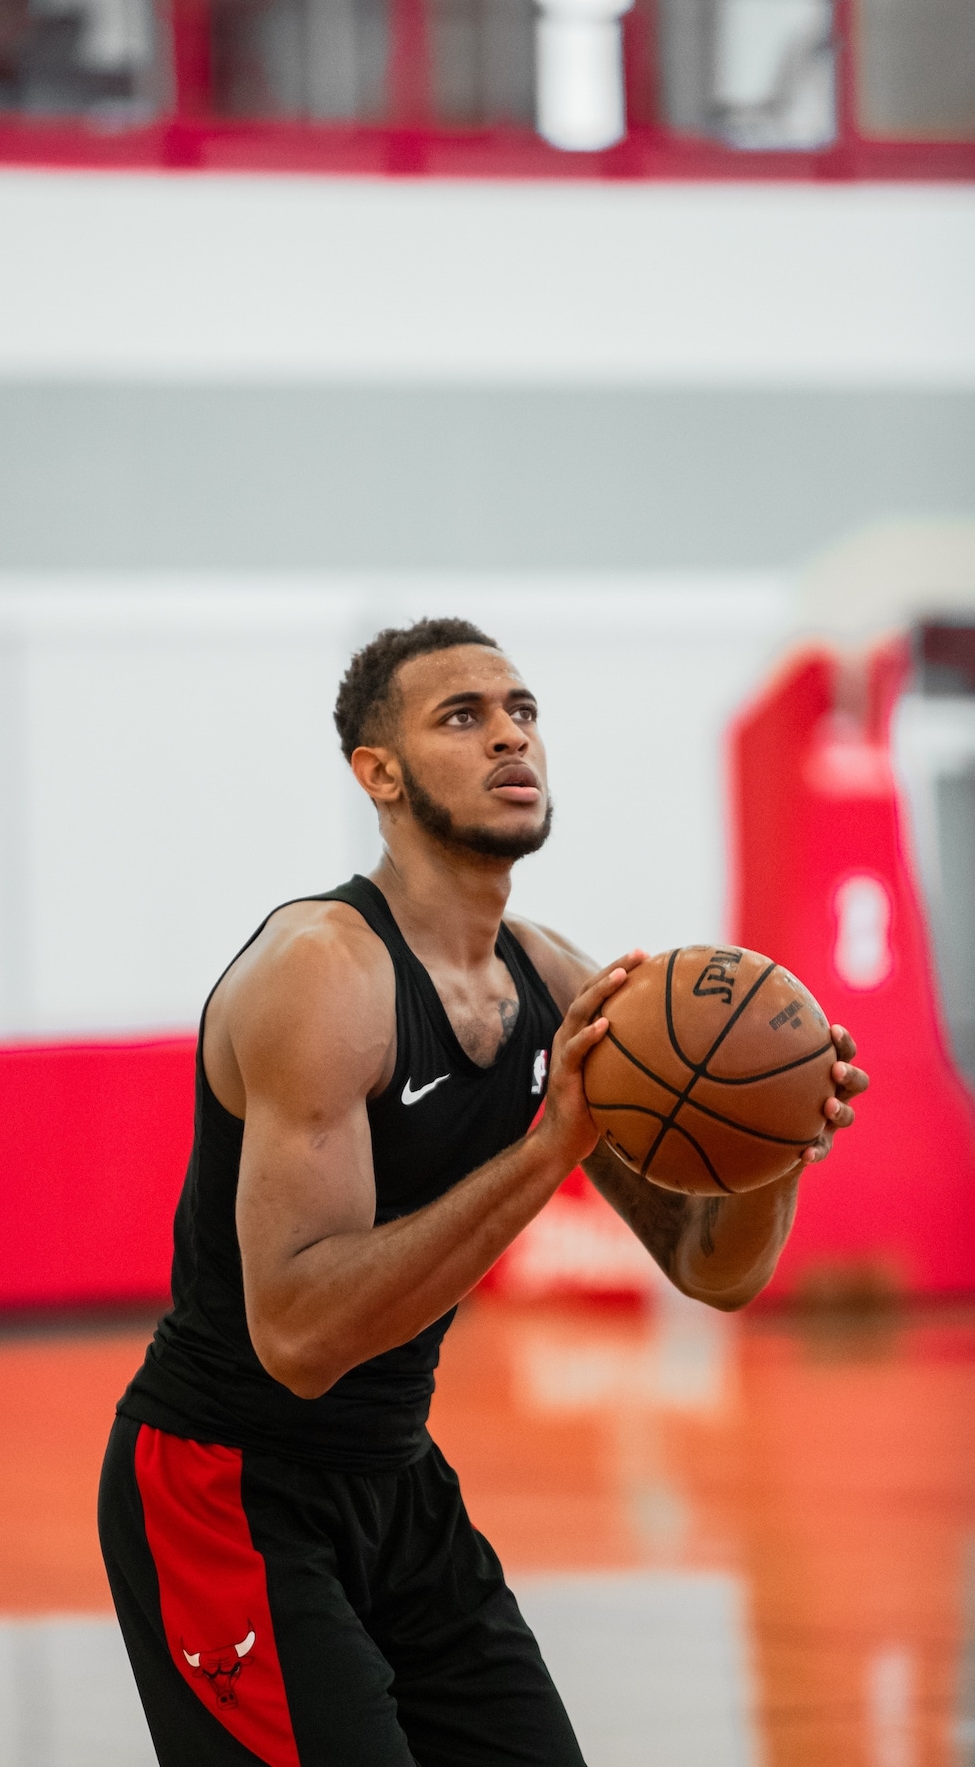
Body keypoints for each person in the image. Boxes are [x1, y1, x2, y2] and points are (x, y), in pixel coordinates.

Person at [99, 616, 867, 1767]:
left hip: (399, 1482)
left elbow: (712, 1267)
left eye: (523, 712)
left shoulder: (555, 979)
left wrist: (777, 1140)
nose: (511, 739)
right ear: (380, 773)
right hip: (228, 1486)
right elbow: (300, 1335)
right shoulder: (324, 975)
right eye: (464, 718)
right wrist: (547, 1152)